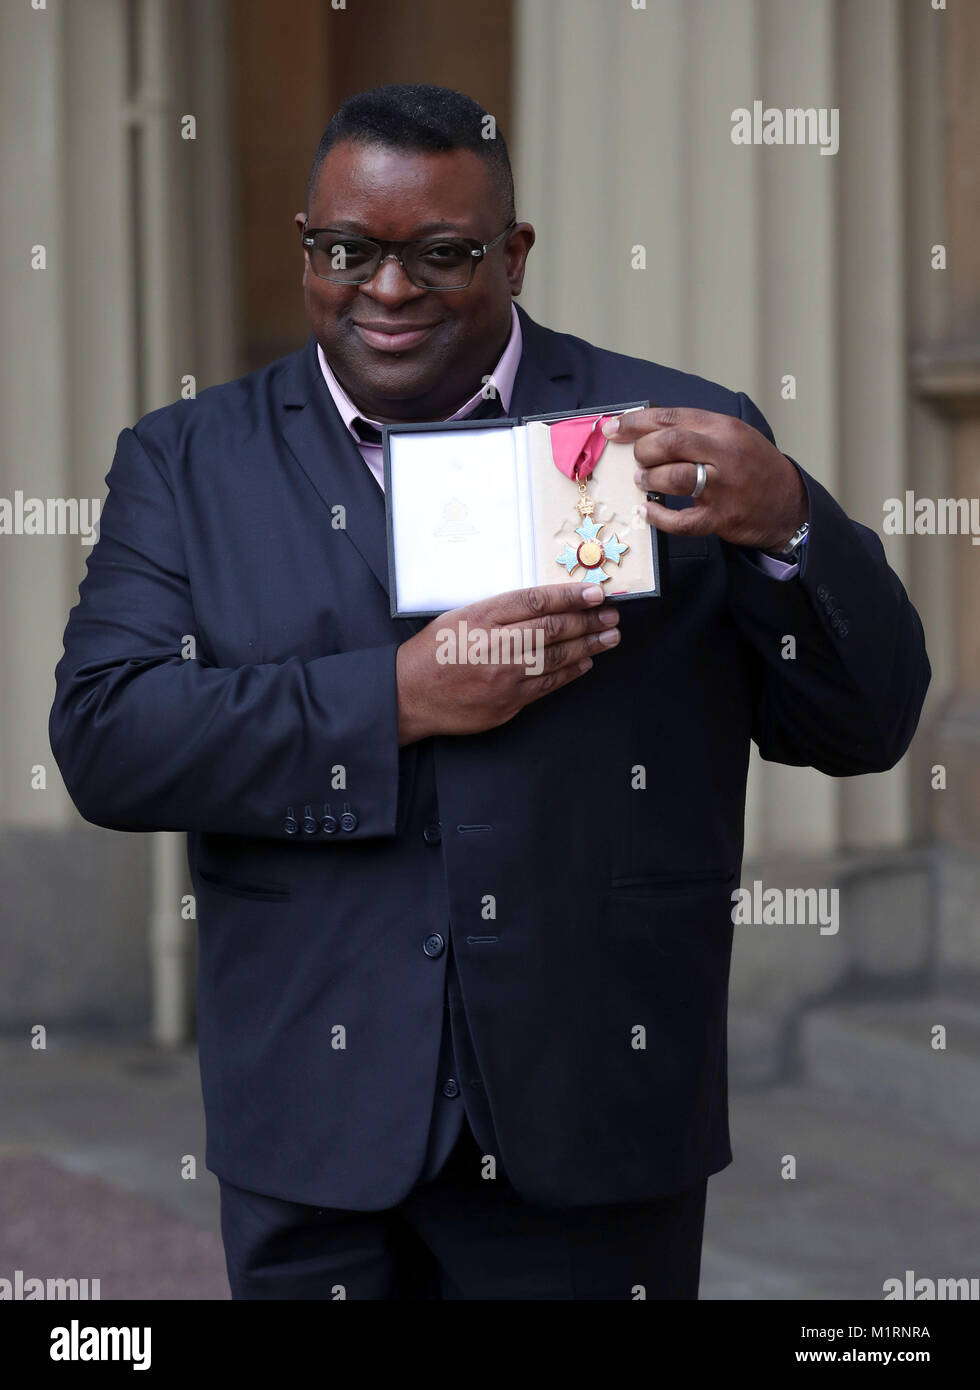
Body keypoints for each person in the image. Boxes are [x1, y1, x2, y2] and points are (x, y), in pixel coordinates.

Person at [49, 83, 930, 1300]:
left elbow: (863, 725)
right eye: (345, 250)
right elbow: (107, 737)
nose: (388, 289)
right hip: (315, 1122)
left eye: (440, 253)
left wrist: (789, 523)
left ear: (512, 255)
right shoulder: (188, 461)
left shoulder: (669, 437)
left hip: (593, 1122)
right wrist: (398, 697)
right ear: (308, 243)